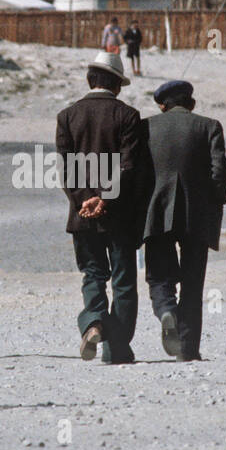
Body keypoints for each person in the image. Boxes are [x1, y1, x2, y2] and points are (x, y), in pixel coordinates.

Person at [56, 51, 150, 364]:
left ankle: (93, 322)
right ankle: (118, 349)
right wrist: (105, 198)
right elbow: (129, 167)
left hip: (82, 214)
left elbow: (67, 170)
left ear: (89, 80)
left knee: (93, 274)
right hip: (120, 215)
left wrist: (86, 199)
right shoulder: (129, 116)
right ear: (118, 86)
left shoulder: (67, 116)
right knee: (123, 281)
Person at [142, 80, 226, 361]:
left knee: (158, 275)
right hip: (197, 214)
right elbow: (219, 170)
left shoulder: (146, 127)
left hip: (157, 212)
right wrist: (217, 200)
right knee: (193, 283)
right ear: (190, 104)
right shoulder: (210, 126)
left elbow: (134, 172)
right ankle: (188, 349)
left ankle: (166, 308)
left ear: (162, 105)